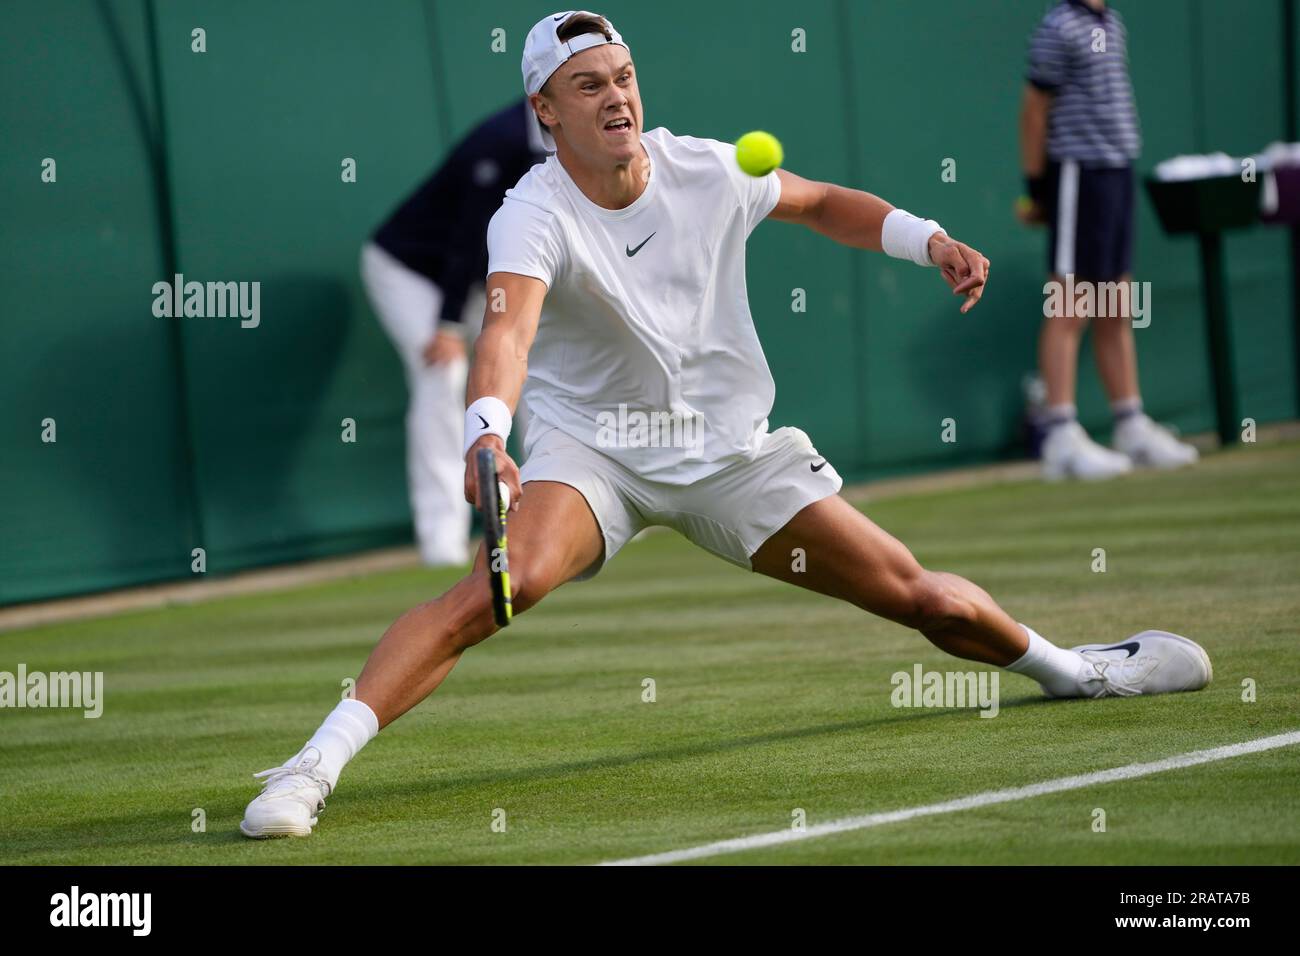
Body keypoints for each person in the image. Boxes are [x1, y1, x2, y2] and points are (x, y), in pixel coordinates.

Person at [242, 9, 1212, 839]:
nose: (617, 97)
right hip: (596, 453)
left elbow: (824, 202)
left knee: (927, 598)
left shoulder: (702, 167)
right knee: (501, 585)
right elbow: (507, 332)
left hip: (728, 454)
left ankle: (1081, 670)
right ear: (546, 109)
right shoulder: (527, 213)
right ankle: (307, 770)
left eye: (623, 77)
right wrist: (486, 433)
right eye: (587, 86)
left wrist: (929, 242)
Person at [361, 99, 547, 565]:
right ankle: (442, 542)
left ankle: (558, 510)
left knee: (534, 367)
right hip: (411, 273)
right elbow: (467, 239)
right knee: (443, 377)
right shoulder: (499, 141)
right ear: (539, 98)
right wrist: (446, 326)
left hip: (483, 278)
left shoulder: (572, 138)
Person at [1019, 0, 1199, 480]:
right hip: (1078, 171)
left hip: (1117, 169)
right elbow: (1035, 109)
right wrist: (1038, 187)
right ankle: (1059, 434)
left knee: (1116, 298)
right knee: (1070, 300)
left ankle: (1130, 423)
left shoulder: (1111, 21)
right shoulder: (1059, 25)